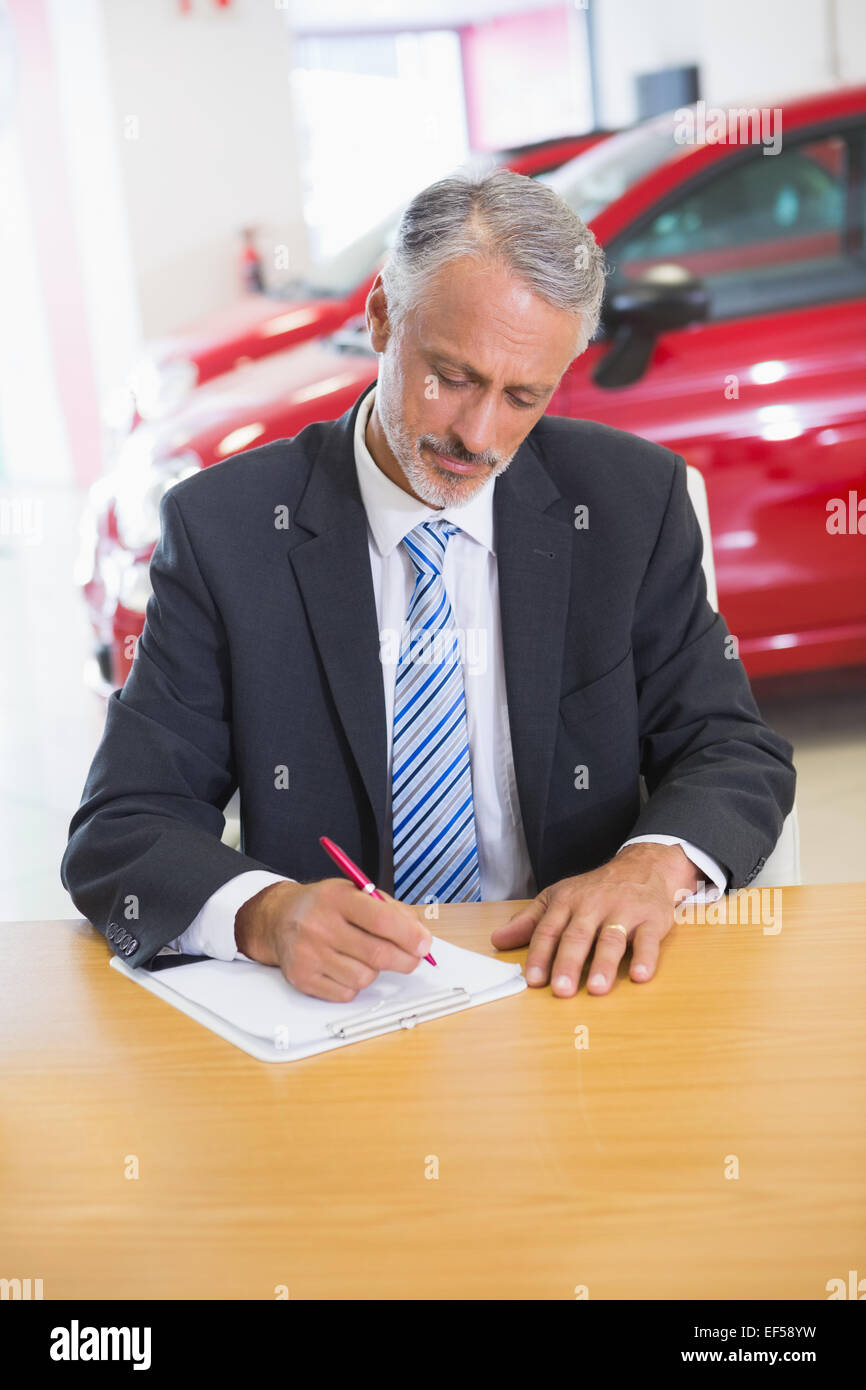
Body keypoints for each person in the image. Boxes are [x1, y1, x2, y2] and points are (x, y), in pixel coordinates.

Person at [61, 168, 796, 1002]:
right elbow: (121, 826)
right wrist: (266, 915)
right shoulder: (228, 531)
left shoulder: (628, 505)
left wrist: (650, 870)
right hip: (341, 1008)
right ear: (381, 316)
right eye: (451, 375)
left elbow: (734, 751)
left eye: (524, 396)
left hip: (569, 986)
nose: (478, 437)